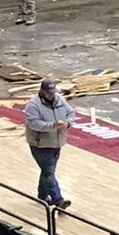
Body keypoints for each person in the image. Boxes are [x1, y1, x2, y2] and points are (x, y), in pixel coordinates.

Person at [23, 78, 76, 210]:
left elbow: (71, 113)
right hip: (40, 145)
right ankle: (58, 200)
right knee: (49, 172)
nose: (51, 95)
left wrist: (68, 123)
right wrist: (53, 126)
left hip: (57, 143)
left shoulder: (60, 100)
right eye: (48, 92)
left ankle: (42, 195)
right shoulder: (33, 105)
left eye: (52, 92)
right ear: (42, 91)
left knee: (47, 171)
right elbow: (33, 123)